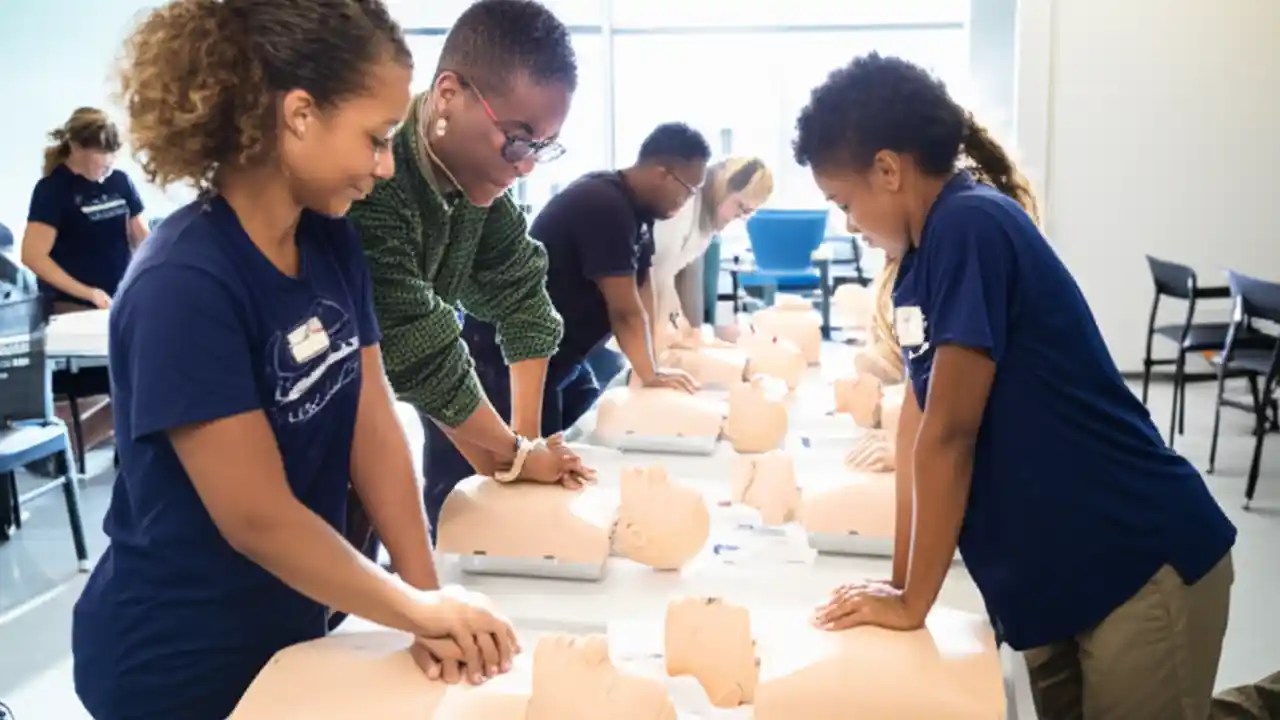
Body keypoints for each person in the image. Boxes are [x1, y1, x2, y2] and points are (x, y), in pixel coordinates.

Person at [72, 3, 517, 719]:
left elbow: (373, 426)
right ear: (300, 114)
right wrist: (411, 609)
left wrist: (427, 595)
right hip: (177, 663)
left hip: (295, 629)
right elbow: (257, 516)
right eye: (375, 139)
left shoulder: (330, 239)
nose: (384, 164)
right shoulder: (183, 286)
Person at [799, 54, 1236, 720]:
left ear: (888, 170)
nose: (850, 224)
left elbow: (951, 433)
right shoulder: (922, 260)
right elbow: (916, 429)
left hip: (1135, 561)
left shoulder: (970, 227)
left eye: (845, 204)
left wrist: (914, 601)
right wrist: (895, 583)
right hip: (1054, 574)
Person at [348, 0, 586, 530]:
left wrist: (522, 446)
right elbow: (416, 344)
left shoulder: (473, 183)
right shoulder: (375, 186)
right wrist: (515, 455)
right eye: (518, 138)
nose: (524, 165)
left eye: (541, 147)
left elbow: (524, 298)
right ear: (448, 95)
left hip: (358, 443)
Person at [429, 122, 710, 499]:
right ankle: (448, 554)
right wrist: (649, 373)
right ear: (663, 173)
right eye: (689, 189)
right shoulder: (604, 204)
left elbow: (642, 291)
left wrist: (651, 367)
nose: (687, 202)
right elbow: (624, 310)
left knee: (546, 460)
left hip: (553, 358)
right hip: (498, 356)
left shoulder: (635, 213)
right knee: (484, 482)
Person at [21, 107, 148, 314]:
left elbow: (143, 239)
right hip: (73, 306)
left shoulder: (120, 181)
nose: (109, 161)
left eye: (112, 152)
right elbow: (33, 256)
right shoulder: (53, 190)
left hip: (121, 299)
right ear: (76, 147)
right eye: (101, 152)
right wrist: (89, 293)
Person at [654, 156, 773, 327]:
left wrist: (684, 328)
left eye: (747, 212)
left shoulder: (708, 226)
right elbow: (652, 275)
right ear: (724, 187)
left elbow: (664, 278)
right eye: (740, 206)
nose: (739, 216)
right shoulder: (683, 205)